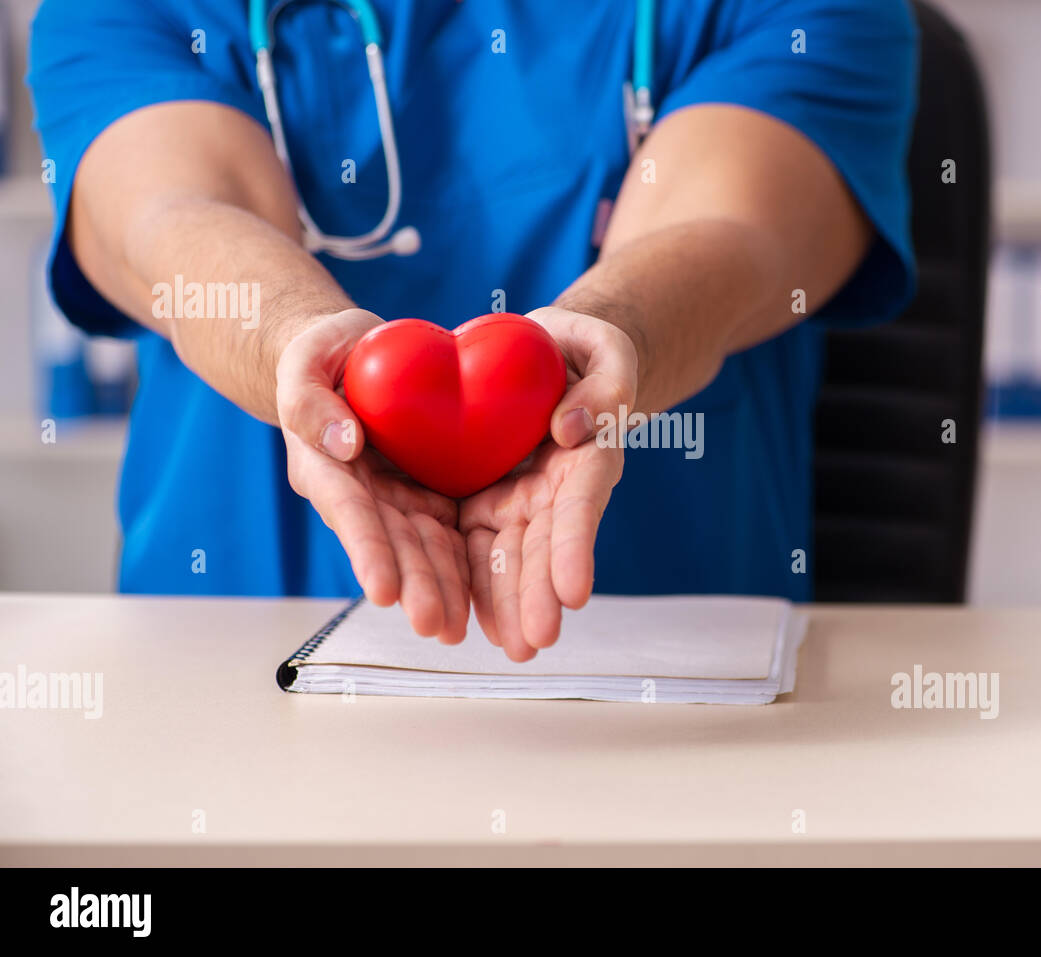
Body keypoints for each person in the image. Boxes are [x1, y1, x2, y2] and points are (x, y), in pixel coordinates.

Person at [27, 0, 917, 662]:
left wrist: (610, 339)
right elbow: (160, 221)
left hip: (671, 716)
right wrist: (294, 341)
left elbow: (742, 238)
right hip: (219, 706)